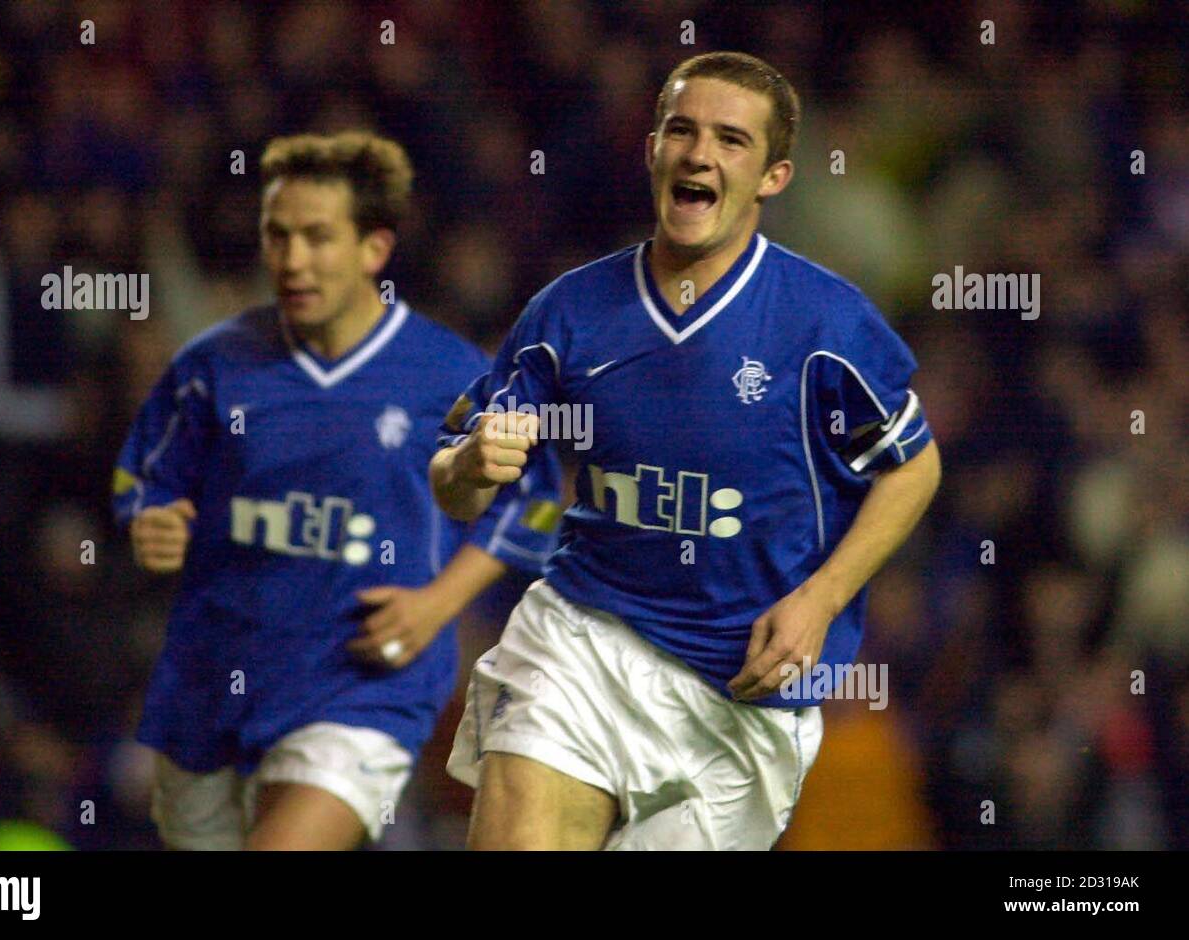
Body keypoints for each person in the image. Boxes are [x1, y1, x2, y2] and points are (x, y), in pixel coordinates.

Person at [431, 52, 942, 850]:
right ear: (653, 150)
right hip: (584, 643)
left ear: (773, 176)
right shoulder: (568, 312)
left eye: (732, 141)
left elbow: (913, 464)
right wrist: (469, 466)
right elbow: (453, 482)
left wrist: (824, 597)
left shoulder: (826, 326)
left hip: (738, 694)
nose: (700, 153)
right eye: (682, 129)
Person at [112, 131, 560, 850]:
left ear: (373, 250)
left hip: (359, 689)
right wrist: (151, 519)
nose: (292, 260)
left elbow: (536, 501)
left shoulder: (447, 373)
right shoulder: (214, 366)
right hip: (215, 684)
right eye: (278, 235)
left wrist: (437, 605)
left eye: (318, 237)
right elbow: (144, 474)